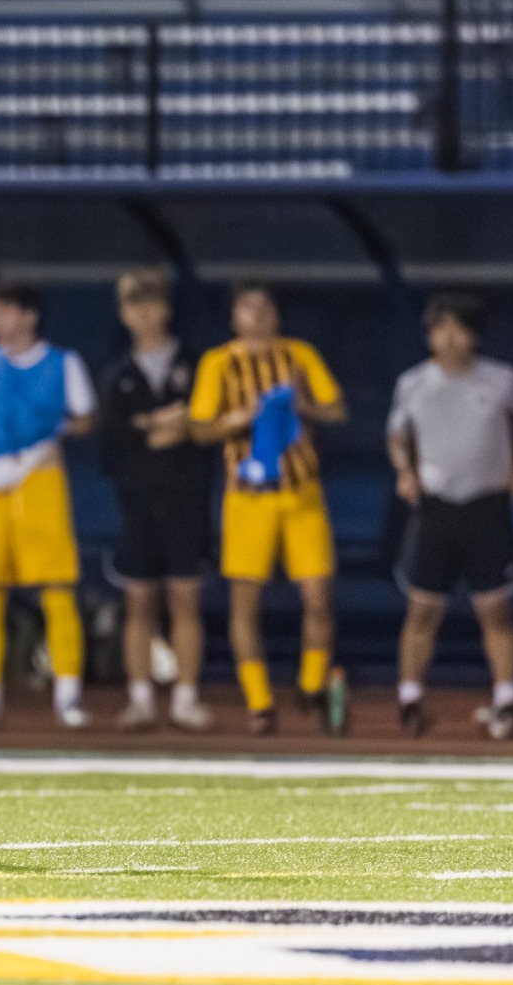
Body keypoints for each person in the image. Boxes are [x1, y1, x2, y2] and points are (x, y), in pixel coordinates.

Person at [189, 281, 347, 736]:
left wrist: (303, 407)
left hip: (301, 494)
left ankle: (311, 684)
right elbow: (198, 429)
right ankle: (259, 700)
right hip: (247, 498)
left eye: (263, 307)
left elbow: (336, 410)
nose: (255, 316)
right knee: (245, 602)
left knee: (318, 596)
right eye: (246, 308)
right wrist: (231, 421)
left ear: (276, 313)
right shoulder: (218, 363)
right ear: (234, 316)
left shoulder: (299, 356)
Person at [388, 293, 513, 739]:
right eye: (441, 329)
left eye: (459, 328)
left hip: (487, 507)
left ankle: (507, 698)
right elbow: (398, 435)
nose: (450, 338)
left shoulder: (501, 380)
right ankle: (410, 695)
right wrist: (405, 473)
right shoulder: (413, 383)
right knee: (422, 608)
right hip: (436, 507)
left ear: (475, 334)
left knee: (495, 608)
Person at [0, 280, 96, 730]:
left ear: (29, 316)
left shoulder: (63, 362)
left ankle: (68, 696)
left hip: (41, 478)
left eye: (6, 310)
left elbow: (85, 417)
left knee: (57, 587)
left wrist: (55, 439)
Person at [96, 268, 213, 732]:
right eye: (134, 306)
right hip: (137, 502)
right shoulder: (117, 374)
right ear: (124, 314)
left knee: (186, 600)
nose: (144, 315)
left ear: (167, 308)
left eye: (152, 304)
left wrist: (159, 426)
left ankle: (185, 697)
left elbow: (203, 426)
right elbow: (113, 440)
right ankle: (140, 698)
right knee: (139, 602)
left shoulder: (196, 364)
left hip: (187, 499)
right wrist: (161, 425)